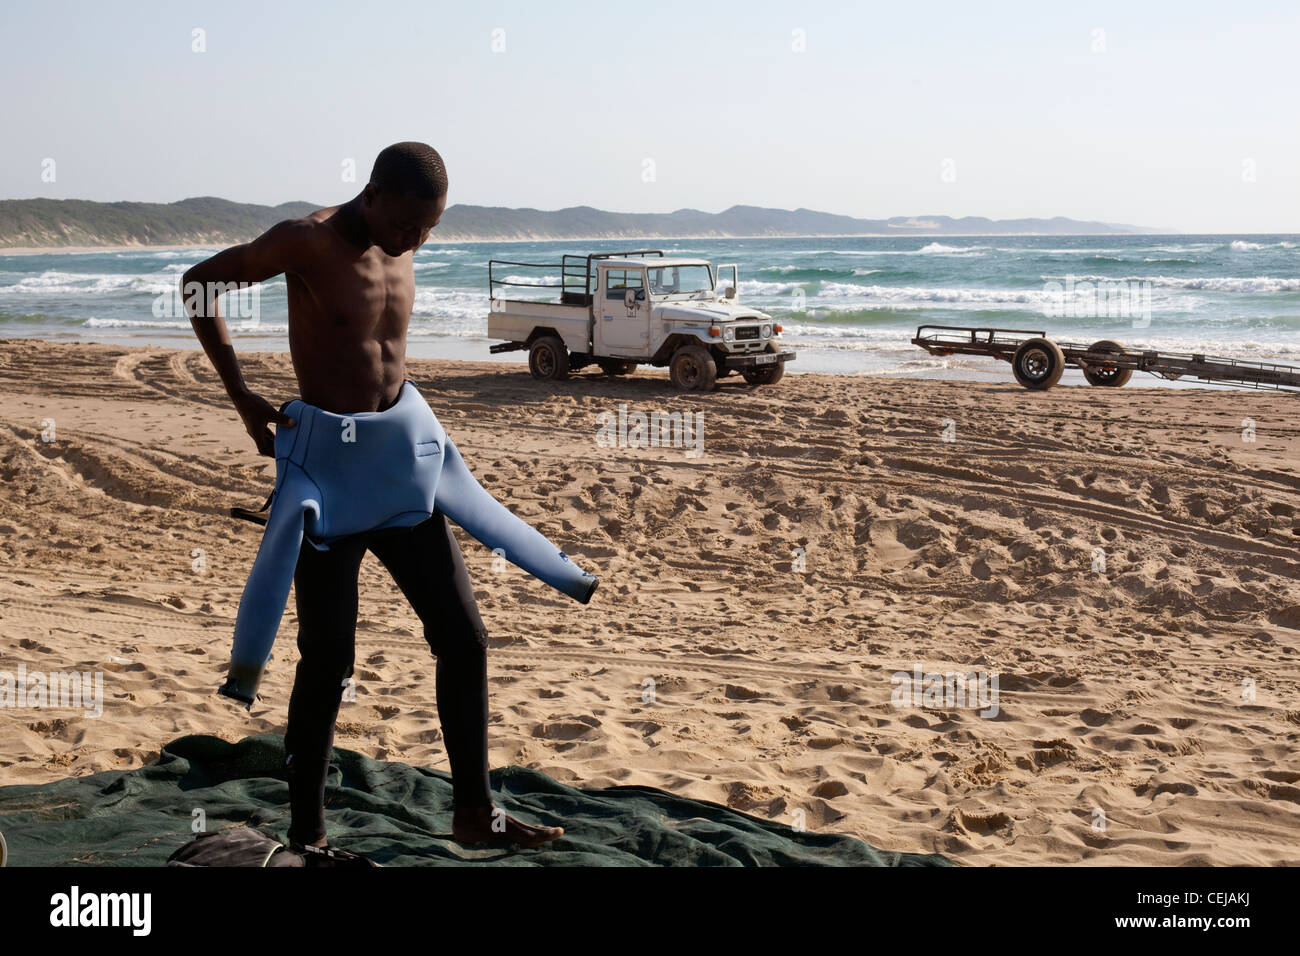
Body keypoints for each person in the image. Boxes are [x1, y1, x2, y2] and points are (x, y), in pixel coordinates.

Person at [182, 142, 563, 861]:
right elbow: (199, 283)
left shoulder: (404, 241)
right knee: (328, 660)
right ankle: (308, 837)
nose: (417, 242)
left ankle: (475, 813)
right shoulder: (308, 241)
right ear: (376, 194)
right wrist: (240, 398)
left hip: (398, 471)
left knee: (464, 638)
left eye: (431, 230)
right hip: (326, 481)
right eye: (412, 226)